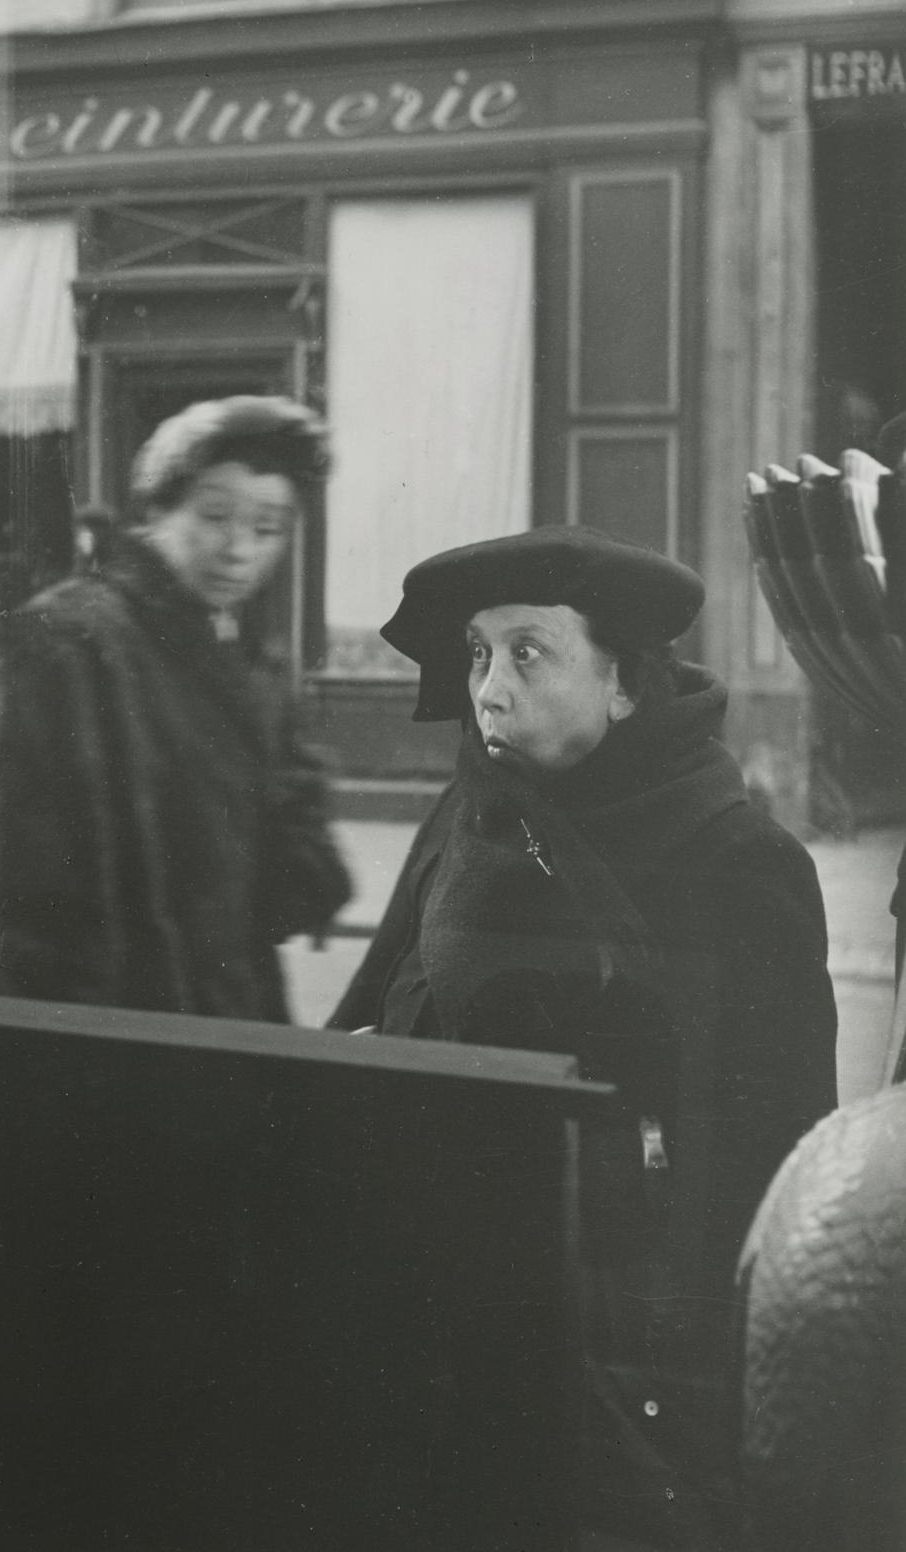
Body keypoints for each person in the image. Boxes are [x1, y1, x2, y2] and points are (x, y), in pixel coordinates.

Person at [328, 525, 837, 1549]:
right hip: (440, 1323)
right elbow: (362, 1026)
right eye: (477, 653)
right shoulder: (468, 813)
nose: (488, 691)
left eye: (528, 653)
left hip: (620, 1385)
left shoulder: (737, 863)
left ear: (625, 684)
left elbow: (777, 1184)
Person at [0, 395, 352, 1021]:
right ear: (157, 510)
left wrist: (303, 844)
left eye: (267, 529)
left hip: (229, 1019)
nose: (239, 550)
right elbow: (40, 903)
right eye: (215, 515)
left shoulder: (246, 660)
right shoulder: (75, 640)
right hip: (121, 1034)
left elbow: (278, 879)